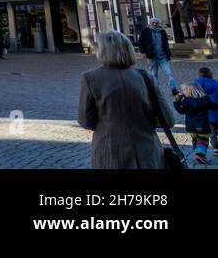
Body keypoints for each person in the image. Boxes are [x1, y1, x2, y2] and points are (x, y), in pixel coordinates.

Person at [77, 30, 172, 169]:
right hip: (147, 149)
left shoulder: (90, 78)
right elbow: (167, 119)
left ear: (101, 51)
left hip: (110, 151)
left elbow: (86, 121)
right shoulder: (145, 77)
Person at [172, 83, 214, 165]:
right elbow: (213, 106)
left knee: (195, 140)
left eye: (184, 90)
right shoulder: (205, 99)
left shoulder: (186, 101)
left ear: (189, 91)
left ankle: (198, 155)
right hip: (202, 125)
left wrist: (176, 103)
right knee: (203, 140)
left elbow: (181, 111)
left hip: (190, 126)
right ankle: (200, 156)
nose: (182, 92)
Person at [137, 16, 176, 92]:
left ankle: (173, 88)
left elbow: (165, 43)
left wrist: (168, 52)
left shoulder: (162, 31)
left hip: (163, 56)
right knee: (154, 74)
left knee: (169, 73)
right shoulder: (145, 31)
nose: (154, 24)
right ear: (150, 23)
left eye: (156, 23)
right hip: (152, 56)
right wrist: (143, 51)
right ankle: (156, 90)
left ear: (158, 23)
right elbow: (141, 42)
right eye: (153, 22)